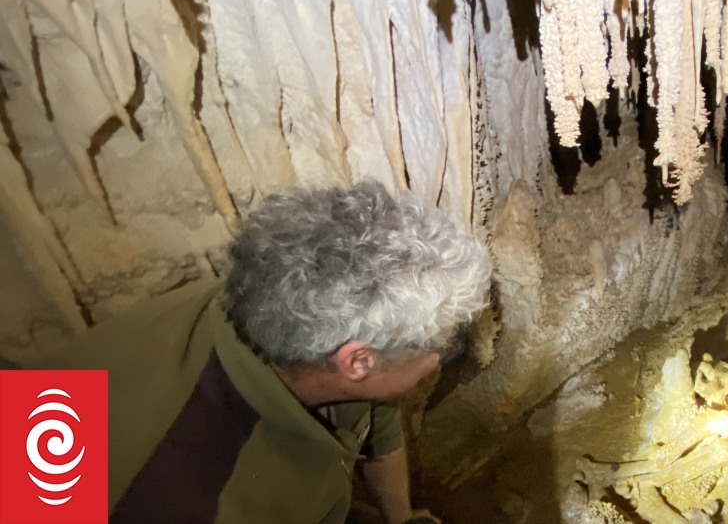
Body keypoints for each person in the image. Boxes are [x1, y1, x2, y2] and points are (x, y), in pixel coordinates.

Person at [39, 182, 491, 523]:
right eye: (444, 347)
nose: (444, 354)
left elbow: (373, 415)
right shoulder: (199, 498)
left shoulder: (285, 304)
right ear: (359, 361)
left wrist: (401, 518)